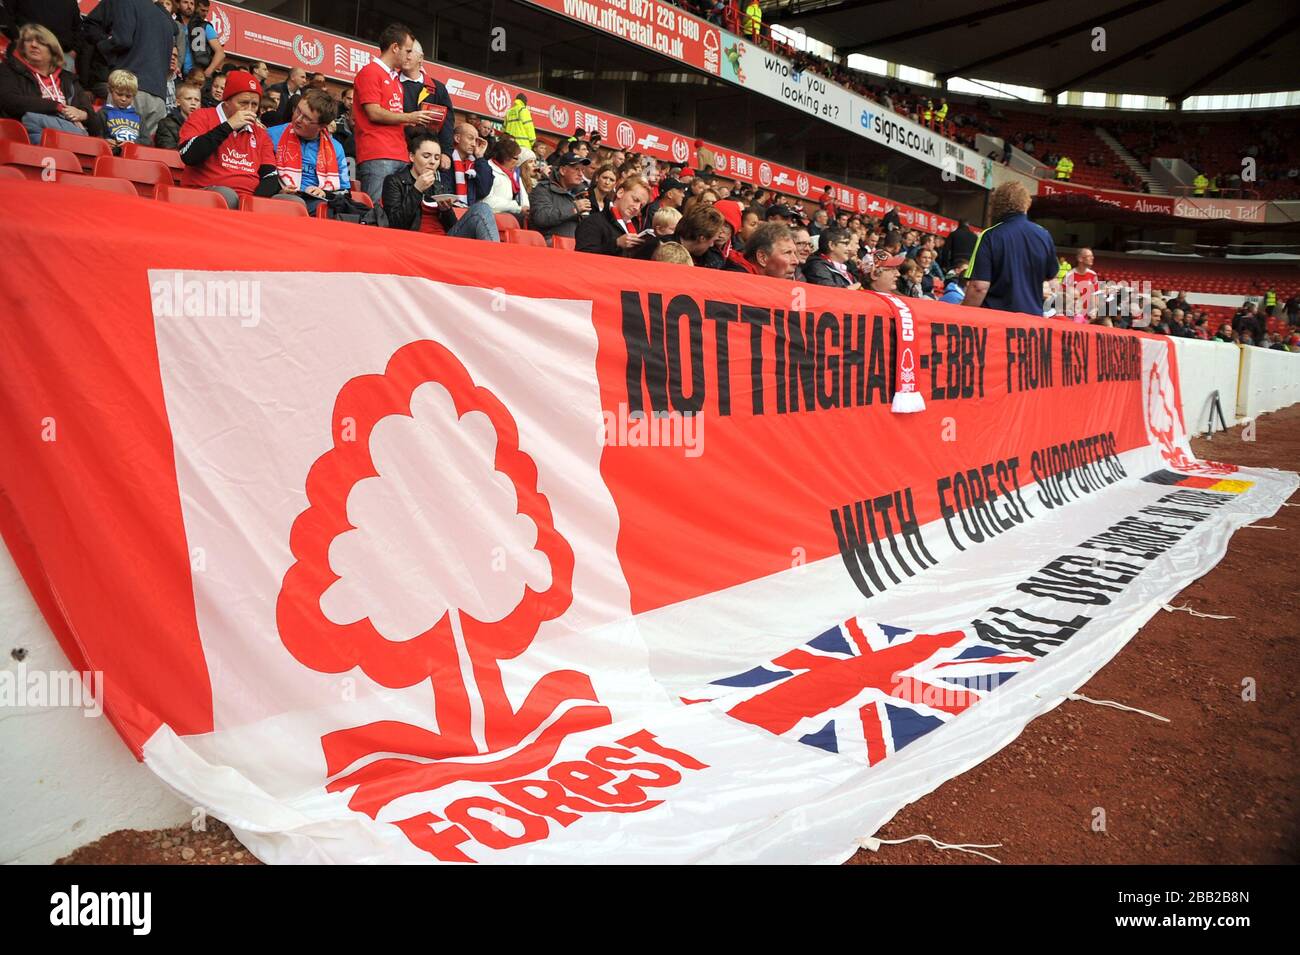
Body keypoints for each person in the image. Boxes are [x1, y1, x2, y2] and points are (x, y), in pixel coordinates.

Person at [178, 70, 300, 208]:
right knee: (227, 196)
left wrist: (252, 202)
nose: (249, 109)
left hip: (247, 199)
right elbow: (188, 155)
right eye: (243, 103)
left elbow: (270, 176)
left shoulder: (260, 133)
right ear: (227, 101)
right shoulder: (202, 116)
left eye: (254, 105)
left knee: (294, 203)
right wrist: (228, 126)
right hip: (205, 193)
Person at [352, 23, 435, 202]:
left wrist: (417, 122)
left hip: (400, 153)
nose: (410, 55)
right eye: (408, 50)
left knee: (400, 214)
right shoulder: (370, 72)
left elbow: (395, 116)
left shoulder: (396, 79)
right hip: (378, 153)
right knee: (377, 213)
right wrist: (409, 116)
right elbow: (373, 112)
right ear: (395, 48)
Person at [382, 130, 499, 241]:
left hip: (444, 241)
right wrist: (416, 190)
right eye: (426, 156)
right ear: (412, 157)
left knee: (482, 208)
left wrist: (446, 210)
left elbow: (452, 226)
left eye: (437, 157)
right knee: (481, 209)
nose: (433, 162)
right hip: (414, 241)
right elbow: (395, 225)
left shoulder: (437, 185)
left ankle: (496, 258)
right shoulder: (394, 181)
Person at [962, 182, 1057, 316]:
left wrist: (962, 315)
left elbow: (979, 287)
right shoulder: (1044, 235)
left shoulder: (990, 235)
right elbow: (1052, 278)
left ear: (998, 205)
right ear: (1026, 204)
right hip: (1031, 324)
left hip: (995, 322)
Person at [89, 0, 175, 143]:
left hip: (131, 88)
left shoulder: (128, 3)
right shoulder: (166, 18)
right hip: (159, 96)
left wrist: (102, 45)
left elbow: (122, 40)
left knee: (115, 147)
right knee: (141, 154)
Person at [0, 23, 100, 143]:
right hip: (24, 138)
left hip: (68, 136)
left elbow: (95, 124)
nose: (33, 45)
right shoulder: (9, 70)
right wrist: (57, 107)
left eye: (40, 42)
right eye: (28, 41)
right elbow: (9, 101)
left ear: (53, 49)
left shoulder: (68, 79)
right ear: (22, 47)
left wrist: (83, 115)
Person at [266, 89, 348, 215]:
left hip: (318, 204)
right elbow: (260, 177)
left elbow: (345, 191)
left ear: (322, 126)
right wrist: (278, 190)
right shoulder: (271, 135)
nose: (298, 119)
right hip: (279, 199)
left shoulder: (336, 148)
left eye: (306, 118)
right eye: (298, 110)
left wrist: (325, 193)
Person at [576, 175, 659, 258]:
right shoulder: (592, 222)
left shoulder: (635, 229)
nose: (637, 208)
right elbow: (584, 257)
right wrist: (616, 243)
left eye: (641, 206)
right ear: (620, 193)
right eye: (635, 200)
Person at [399, 40, 453, 161]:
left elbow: (447, 123)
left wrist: (445, 152)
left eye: (409, 52)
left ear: (421, 58)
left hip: (428, 156)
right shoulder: (391, 82)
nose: (405, 56)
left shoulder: (437, 87)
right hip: (397, 150)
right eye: (403, 52)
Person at [529, 153, 592, 240]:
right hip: (550, 247)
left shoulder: (581, 194)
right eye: (577, 169)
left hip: (577, 247)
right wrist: (574, 208)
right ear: (562, 171)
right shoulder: (543, 189)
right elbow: (541, 217)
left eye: (582, 170)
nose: (581, 174)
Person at [478, 136, 529, 223]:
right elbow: (486, 202)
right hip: (488, 220)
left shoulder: (514, 174)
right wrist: (516, 207)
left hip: (509, 221)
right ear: (505, 157)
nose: (517, 162)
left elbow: (524, 201)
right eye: (516, 158)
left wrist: (524, 207)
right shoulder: (487, 169)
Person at [177, 0, 223, 79]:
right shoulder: (176, 24)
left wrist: (208, 72)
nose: (205, 14)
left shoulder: (205, 26)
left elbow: (220, 53)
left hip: (197, 75)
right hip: (179, 75)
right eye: (202, 10)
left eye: (207, 11)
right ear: (196, 8)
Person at [99, 69, 144, 147]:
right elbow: (96, 135)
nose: (123, 99)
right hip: (111, 153)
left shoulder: (138, 116)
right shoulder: (103, 113)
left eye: (128, 96)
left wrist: (133, 143)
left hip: (134, 154)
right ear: (110, 90)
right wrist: (104, 141)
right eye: (119, 94)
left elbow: (147, 140)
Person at [153, 79, 200, 149]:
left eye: (197, 100)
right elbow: (168, 153)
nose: (193, 103)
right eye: (188, 99)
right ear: (177, 102)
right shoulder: (166, 124)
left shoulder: (204, 125)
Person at [1061, 247, 1100, 323]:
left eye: (1092, 256)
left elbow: (1095, 295)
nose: (1092, 258)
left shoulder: (1093, 275)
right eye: (1089, 256)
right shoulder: (1069, 276)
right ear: (1080, 259)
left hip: (1088, 317)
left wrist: (1094, 309)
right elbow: (1064, 296)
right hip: (1072, 317)